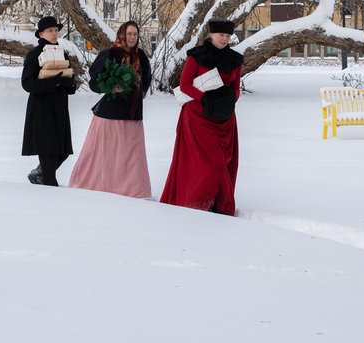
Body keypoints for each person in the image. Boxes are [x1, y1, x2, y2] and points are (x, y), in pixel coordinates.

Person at [160, 18, 244, 215]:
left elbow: (236, 89)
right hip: (197, 117)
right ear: (211, 34)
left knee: (221, 163)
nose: (224, 39)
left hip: (224, 119)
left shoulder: (235, 59)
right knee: (201, 164)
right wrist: (205, 98)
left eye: (228, 36)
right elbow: (185, 85)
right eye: (221, 35)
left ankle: (218, 202)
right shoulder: (197, 56)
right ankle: (196, 200)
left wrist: (227, 99)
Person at [68, 21, 153, 198]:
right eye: (129, 34)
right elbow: (94, 82)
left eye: (135, 34)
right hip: (109, 115)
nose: (132, 37)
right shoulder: (110, 54)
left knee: (131, 156)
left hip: (132, 114)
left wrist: (143, 91)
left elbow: (147, 78)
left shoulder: (141, 57)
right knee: (104, 154)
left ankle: (133, 190)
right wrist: (110, 87)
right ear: (122, 35)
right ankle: (96, 186)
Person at [21, 16, 78, 186]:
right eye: (50, 31)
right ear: (41, 34)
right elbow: (27, 83)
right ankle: (49, 191)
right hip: (42, 111)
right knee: (49, 153)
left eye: (56, 30)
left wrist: (70, 83)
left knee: (63, 151)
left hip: (60, 110)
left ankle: (39, 174)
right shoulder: (34, 54)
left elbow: (70, 82)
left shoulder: (62, 53)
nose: (54, 34)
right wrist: (54, 82)